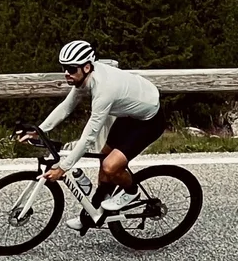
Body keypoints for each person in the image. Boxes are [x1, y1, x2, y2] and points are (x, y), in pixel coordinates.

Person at [20, 38, 162, 221]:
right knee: (104, 163)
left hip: (149, 122)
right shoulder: (84, 78)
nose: (66, 73)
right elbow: (66, 107)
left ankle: (132, 191)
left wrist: (63, 168)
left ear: (87, 67)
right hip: (129, 116)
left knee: (110, 166)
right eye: (63, 68)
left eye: (71, 69)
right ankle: (94, 213)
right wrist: (39, 130)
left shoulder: (104, 89)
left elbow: (88, 138)